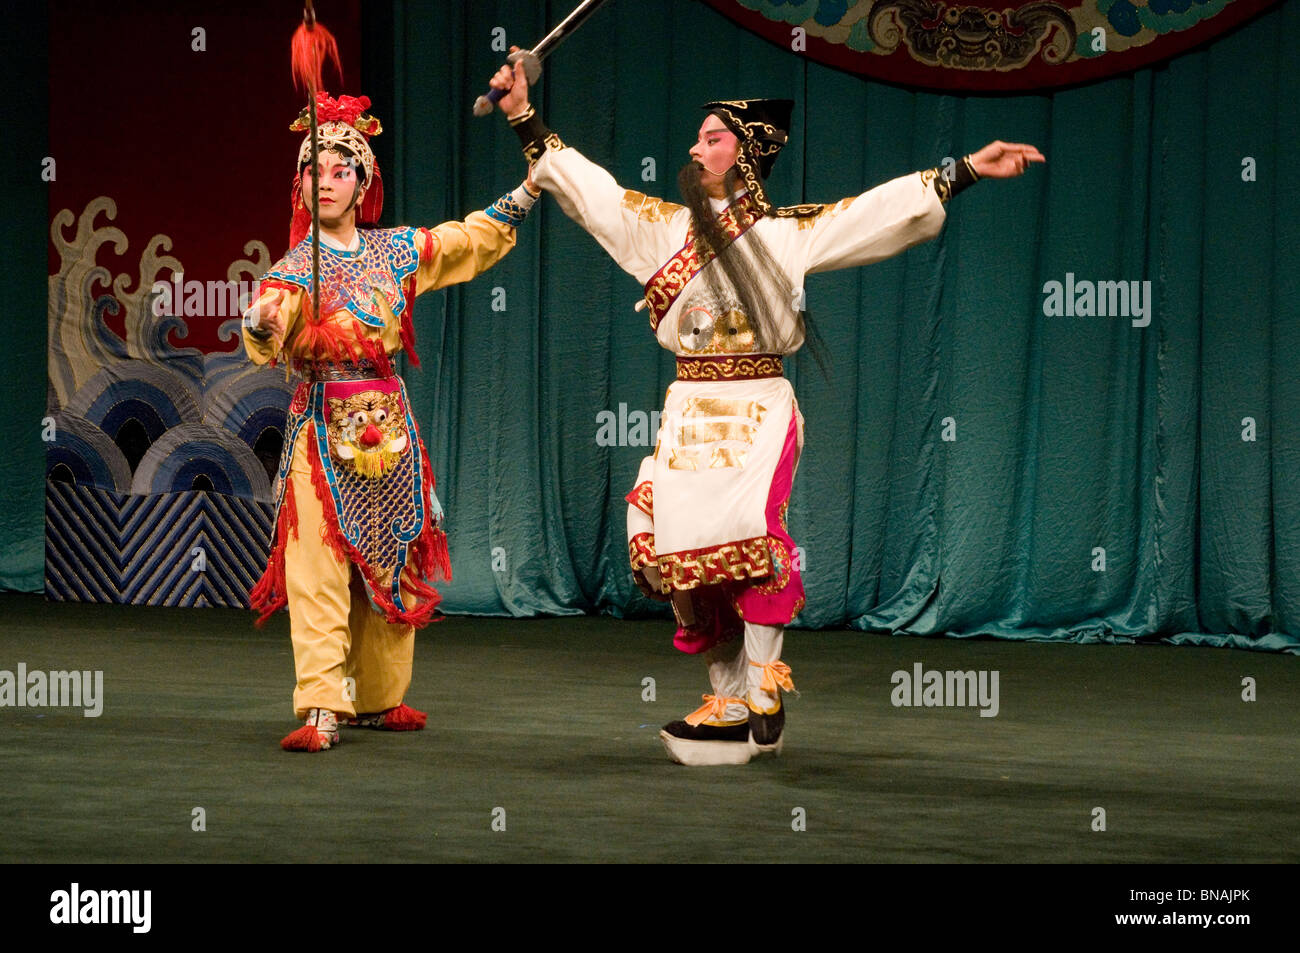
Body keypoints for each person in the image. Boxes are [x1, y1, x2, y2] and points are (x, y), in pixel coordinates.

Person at [489, 59, 1043, 765]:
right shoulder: (662, 230)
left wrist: (962, 169)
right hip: (690, 406)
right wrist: (523, 116)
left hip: (758, 405)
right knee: (671, 541)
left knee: (749, 536)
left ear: (745, 156)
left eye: (712, 138)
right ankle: (727, 696)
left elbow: (873, 211)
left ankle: (763, 687)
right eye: (696, 137)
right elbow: (588, 192)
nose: (695, 148)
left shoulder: (787, 233)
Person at [243, 91, 539, 752]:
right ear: (300, 184)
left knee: (392, 558)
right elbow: (271, 316)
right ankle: (322, 704)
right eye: (313, 170)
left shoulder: (398, 251)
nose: (326, 180)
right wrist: (261, 323)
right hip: (321, 433)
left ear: (362, 182)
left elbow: (462, 241)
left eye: (339, 169)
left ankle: (376, 698)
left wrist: (524, 193)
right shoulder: (294, 269)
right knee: (316, 567)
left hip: (389, 429)